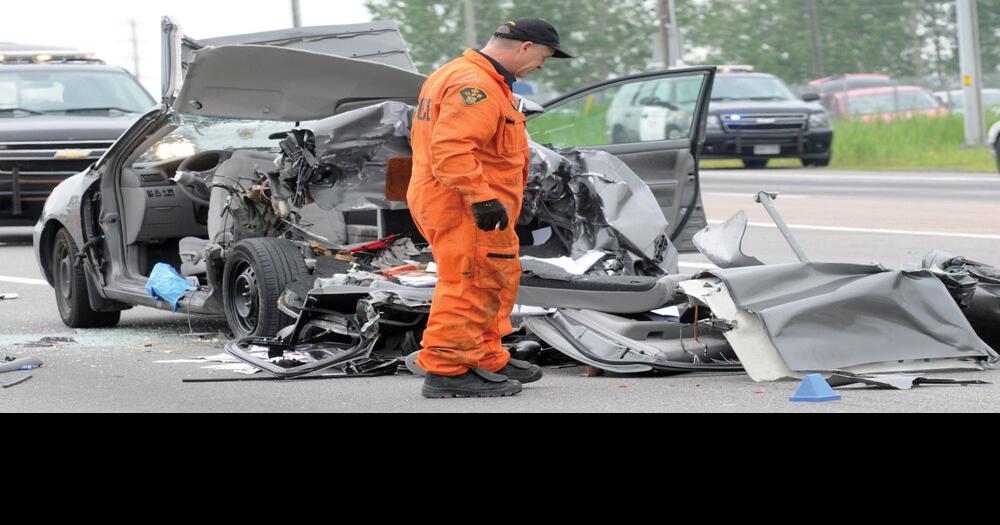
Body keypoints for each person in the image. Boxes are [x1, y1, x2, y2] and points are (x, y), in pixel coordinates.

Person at [407, 18, 573, 398]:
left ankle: (484, 356)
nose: (541, 67)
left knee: (494, 275)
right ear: (525, 47)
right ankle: (449, 369)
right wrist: (480, 197)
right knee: (470, 281)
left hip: (464, 200)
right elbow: (451, 151)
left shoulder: (463, 74)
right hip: (464, 202)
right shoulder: (475, 84)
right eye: (544, 58)